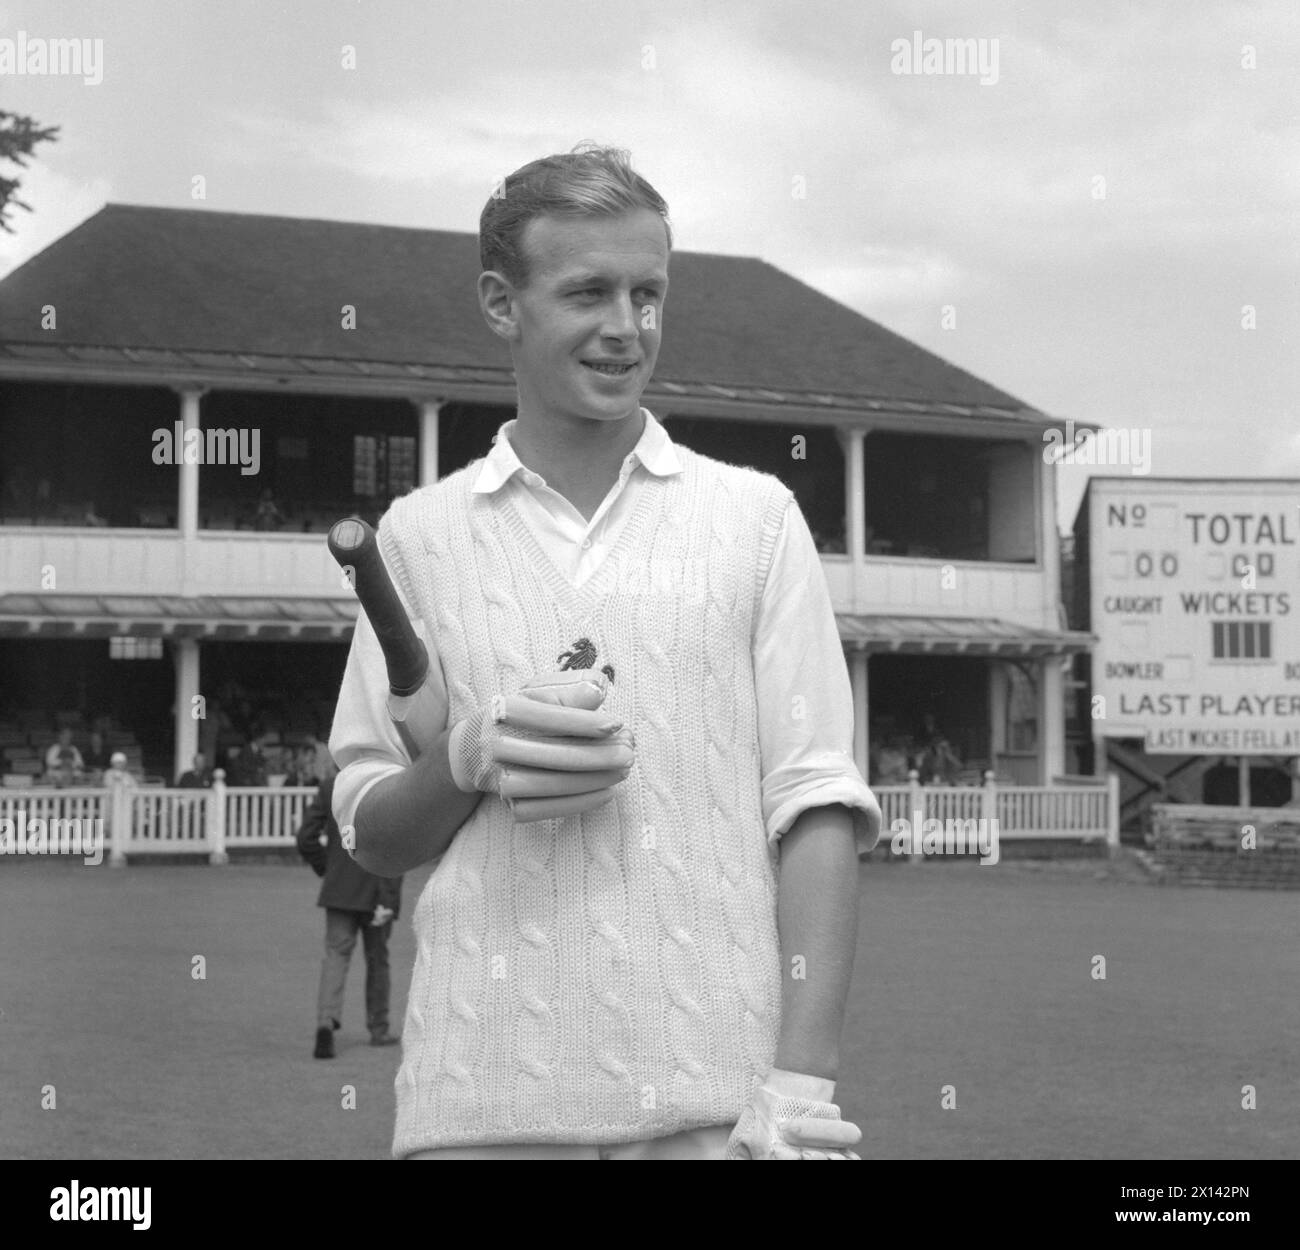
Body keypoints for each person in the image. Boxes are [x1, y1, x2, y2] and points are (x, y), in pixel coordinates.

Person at [329, 146, 882, 1160]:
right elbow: (370, 835)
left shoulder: (755, 520)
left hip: (716, 1101)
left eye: (647, 292)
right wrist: (464, 758)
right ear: (503, 303)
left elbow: (814, 804)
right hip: (479, 1098)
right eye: (588, 291)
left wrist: (799, 1084)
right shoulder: (417, 539)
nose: (626, 327)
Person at [295, 768, 403, 1057]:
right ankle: (379, 1029)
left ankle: (325, 1023)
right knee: (377, 962)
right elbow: (395, 847)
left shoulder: (331, 785)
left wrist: (327, 869)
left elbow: (305, 837)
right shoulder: (386, 784)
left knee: (335, 957)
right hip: (377, 889)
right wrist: (390, 900)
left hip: (339, 890)